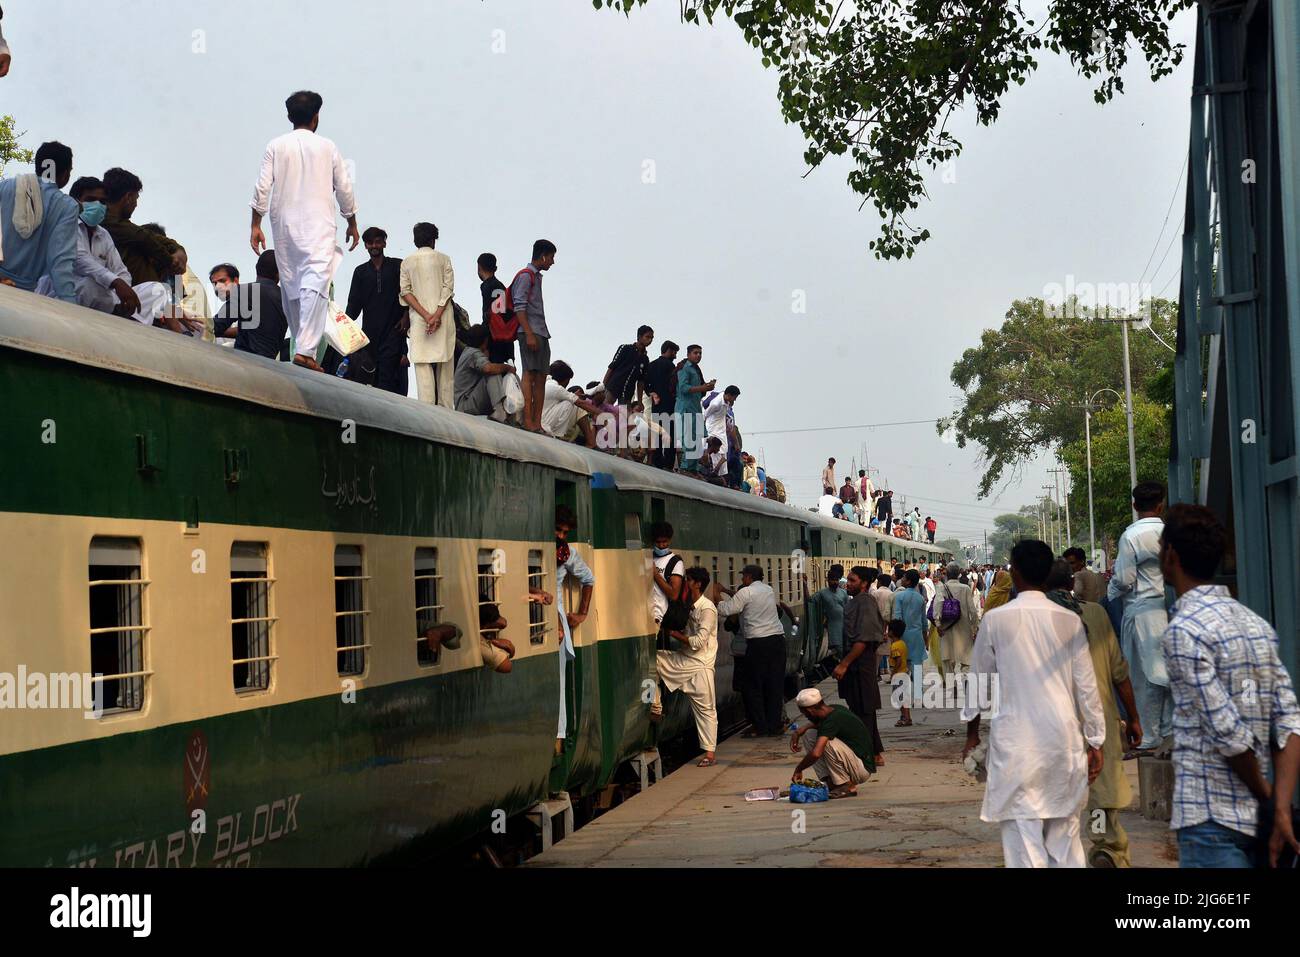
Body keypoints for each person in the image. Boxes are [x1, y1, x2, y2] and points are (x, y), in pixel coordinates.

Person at [1158, 504, 1300, 868]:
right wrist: (1279, 809)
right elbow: (1289, 721)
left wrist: (1267, 797)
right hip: (1259, 822)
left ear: (1170, 554)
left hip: (1208, 816)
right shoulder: (1256, 625)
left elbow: (1228, 733)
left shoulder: (1184, 631)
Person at [961, 539, 1105, 869]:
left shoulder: (996, 620)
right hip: (1063, 742)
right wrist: (1096, 740)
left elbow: (978, 682)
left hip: (1017, 746)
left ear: (1015, 572)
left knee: (1024, 844)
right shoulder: (1069, 620)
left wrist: (972, 734)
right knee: (1066, 841)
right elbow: (1086, 687)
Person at [250, 90, 359, 372]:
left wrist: (255, 223)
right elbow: (344, 187)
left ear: (289, 117)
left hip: (283, 222)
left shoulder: (275, 145)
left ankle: (302, 344)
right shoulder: (328, 147)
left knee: (291, 283)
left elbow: (262, 186)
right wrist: (352, 221)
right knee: (317, 278)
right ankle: (306, 350)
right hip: (318, 221)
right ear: (316, 117)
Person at [1043, 559, 1143, 867]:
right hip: (1097, 723)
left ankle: (1054, 853)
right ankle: (1104, 848)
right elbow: (1119, 673)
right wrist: (1134, 718)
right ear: (1072, 584)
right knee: (1100, 799)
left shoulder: (1037, 620)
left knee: (1054, 805)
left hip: (1053, 728)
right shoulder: (1096, 614)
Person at [34, 175, 166, 321]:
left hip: (105, 297)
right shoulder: (63, 224)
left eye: (102, 201)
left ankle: (124, 318)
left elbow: (121, 272)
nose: (98, 205)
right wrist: (116, 283)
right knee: (90, 285)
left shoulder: (104, 235)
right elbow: (80, 260)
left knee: (157, 290)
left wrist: (122, 294)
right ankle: (120, 315)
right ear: (75, 202)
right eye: (91, 200)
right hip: (61, 295)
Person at [1107, 481, 1173, 753]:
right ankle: (1169, 729)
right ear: (1161, 505)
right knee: (1166, 672)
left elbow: (1124, 578)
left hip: (1140, 609)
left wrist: (1110, 593)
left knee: (1143, 677)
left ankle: (1149, 735)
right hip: (1167, 607)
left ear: (1135, 506)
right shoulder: (1170, 532)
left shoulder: (1131, 536)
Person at [0, 142, 79, 301]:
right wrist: (70, 303)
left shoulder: (5, 187)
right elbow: (60, 261)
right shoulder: (67, 206)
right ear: (65, 174)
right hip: (20, 296)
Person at [716, 564, 786, 737]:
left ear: (748, 577)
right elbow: (744, 600)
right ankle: (774, 725)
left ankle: (761, 727)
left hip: (758, 643)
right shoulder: (768, 590)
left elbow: (727, 609)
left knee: (753, 686)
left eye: (743, 576)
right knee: (774, 684)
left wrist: (717, 595)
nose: (741, 579)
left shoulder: (746, 592)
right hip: (777, 641)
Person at [345, 226, 410, 395]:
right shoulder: (360, 272)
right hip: (369, 335)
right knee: (370, 377)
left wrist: (406, 316)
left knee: (388, 379)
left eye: (377, 242)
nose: (374, 246)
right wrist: (344, 330)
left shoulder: (398, 266)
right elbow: (353, 305)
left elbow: (409, 294)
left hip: (394, 332)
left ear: (384, 244)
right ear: (365, 246)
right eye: (370, 243)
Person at [397, 222, 455, 406]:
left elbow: (405, 292)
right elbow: (448, 290)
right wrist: (436, 315)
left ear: (415, 240)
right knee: (446, 364)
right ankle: (446, 408)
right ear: (433, 240)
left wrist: (426, 316)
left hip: (420, 320)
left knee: (422, 363)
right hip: (443, 317)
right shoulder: (444, 259)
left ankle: (427, 408)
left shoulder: (407, 262)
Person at [834, 566, 886, 766]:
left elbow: (863, 640)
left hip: (860, 662)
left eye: (853, 580)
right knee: (862, 710)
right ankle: (874, 753)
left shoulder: (864, 603)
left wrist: (844, 664)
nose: (848, 583)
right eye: (848, 579)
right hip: (856, 661)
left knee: (863, 710)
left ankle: (866, 756)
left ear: (864, 583)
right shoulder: (857, 601)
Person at [554, 505, 594, 751]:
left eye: (564, 532)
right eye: (557, 530)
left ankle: (558, 738)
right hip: (541, 618)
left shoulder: (566, 553)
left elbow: (589, 579)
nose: (560, 536)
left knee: (559, 682)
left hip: (556, 622)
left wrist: (582, 613)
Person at [789, 688, 874, 797]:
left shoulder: (831, 721)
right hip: (854, 762)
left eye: (805, 714)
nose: (807, 717)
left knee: (826, 743)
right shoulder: (833, 709)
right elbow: (820, 723)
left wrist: (798, 769)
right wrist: (801, 730)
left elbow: (816, 753)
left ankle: (846, 785)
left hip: (862, 769)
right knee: (810, 735)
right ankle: (830, 781)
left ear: (810, 711)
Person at [511, 239, 557, 433]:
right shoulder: (526, 276)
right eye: (552, 257)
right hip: (530, 331)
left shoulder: (536, 277)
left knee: (541, 376)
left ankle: (536, 423)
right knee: (529, 374)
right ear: (543, 256)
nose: (552, 262)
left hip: (541, 331)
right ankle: (527, 420)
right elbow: (519, 306)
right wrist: (528, 333)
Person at [232, 250, 290, 359]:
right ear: (279, 273)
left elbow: (217, 326)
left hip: (242, 362)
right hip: (269, 365)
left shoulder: (243, 291)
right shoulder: (288, 301)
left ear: (256, 268)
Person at [452, 324, 516, 420]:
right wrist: (508, 367)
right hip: (465, 405)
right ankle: (499, 411)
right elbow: (488, 369)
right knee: (493, 372)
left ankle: (508, 412)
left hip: (466, 403)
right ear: (485, 340)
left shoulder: (468, 352)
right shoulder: (473, 353)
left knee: (496, 372)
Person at [423, 609, 515, 674]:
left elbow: (503, 622)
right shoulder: (476, 640)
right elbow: (506, 667)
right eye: (492, 627)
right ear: (484, 627)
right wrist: (509, 648)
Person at [893, 570, 928, 718]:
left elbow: (897, 617)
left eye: (904, 578)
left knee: (902, 668)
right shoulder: (920, 598)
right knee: (917, 667)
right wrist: (925, 638)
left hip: (903, 635)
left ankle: (903, 698)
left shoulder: (899, 596)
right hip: (917, 635)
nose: (902, 579)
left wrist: (895, 638)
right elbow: (924, 621)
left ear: (907, 582)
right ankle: (919, 697)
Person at [674, 344, 714, 473]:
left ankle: (693, 469)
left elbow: (698, 390)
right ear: (688, 354)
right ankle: (685, 468)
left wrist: (706, 387)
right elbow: (683, 388)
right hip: (685, 408)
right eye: (695, 353)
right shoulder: (685, 369)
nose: (698, 355)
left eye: (700, 353)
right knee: (689, 441)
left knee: (697, 440)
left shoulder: (696, 369)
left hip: (695, 408)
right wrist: (703, 388)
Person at [934, 562, 978, 675]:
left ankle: (951, 686)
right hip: (964, 628)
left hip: (946, 628)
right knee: (966, 659)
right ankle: (965, 681)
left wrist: (938, 625)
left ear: (946, 574)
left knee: (948, 659)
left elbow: (937, 607)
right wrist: (974, 628)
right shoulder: (966, 589)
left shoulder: (941, 588)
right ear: (959, 574)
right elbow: (973, 611)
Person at [542, 361, 601, 444]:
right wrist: (602, 413)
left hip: (541, 420)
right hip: (545, 424)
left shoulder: (545, 382)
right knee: (570, 403)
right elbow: (580, 403)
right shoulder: (557, 388)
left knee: (571, 401)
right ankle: (557, 435)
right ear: (565, 379)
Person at [648, 521, 686, 645]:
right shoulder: (648, 557)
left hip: (660, 617)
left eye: (664, 542)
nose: (661, 545)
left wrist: (655, 574)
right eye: (658, 542)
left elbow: (674, 594)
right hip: (645, 614)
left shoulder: (675, 562)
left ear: (669, 540)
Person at [644, 340, 679, 469]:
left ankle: (656, 461)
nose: (675, 355)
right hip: (670, 405)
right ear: (669, 351)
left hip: (656, 405)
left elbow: (645, 385)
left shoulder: (651, 365)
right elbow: (675, 386)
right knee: (670, 434)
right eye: (674, 352)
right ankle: (668, 464)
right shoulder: (671, 367)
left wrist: (652, 393)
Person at [476, 252, 513, 365]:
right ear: (495, 268)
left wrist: (484, 340)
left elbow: (492, 315)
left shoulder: (488, 286)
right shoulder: (500, 287)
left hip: (494, 341)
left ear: (479, 267)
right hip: (505, 340)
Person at [702, 385, 739, 475]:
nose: (734, 400)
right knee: (716, 454)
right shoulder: (716, 403)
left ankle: (720, 475)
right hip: (713, 431)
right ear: (729, 395)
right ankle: (712, 474)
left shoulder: (726, 401)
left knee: (723, 453)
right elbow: (705, 415)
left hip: (721, 431)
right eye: (734, 398)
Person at [886, 620, 911, 724]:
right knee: (903, 697)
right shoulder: (902, 644)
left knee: (900, 697)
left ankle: (905, 718)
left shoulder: (895, 646)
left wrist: (893, 674)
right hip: (904, 673)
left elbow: (898, 660)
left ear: (891, 632)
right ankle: (907, 717)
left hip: (899, 675)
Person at [210, 263, 241, 337]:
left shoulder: (239, 298)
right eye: (214, 283)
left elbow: (214, 327)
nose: (217, 286)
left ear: (236, 281)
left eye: (222, 281)